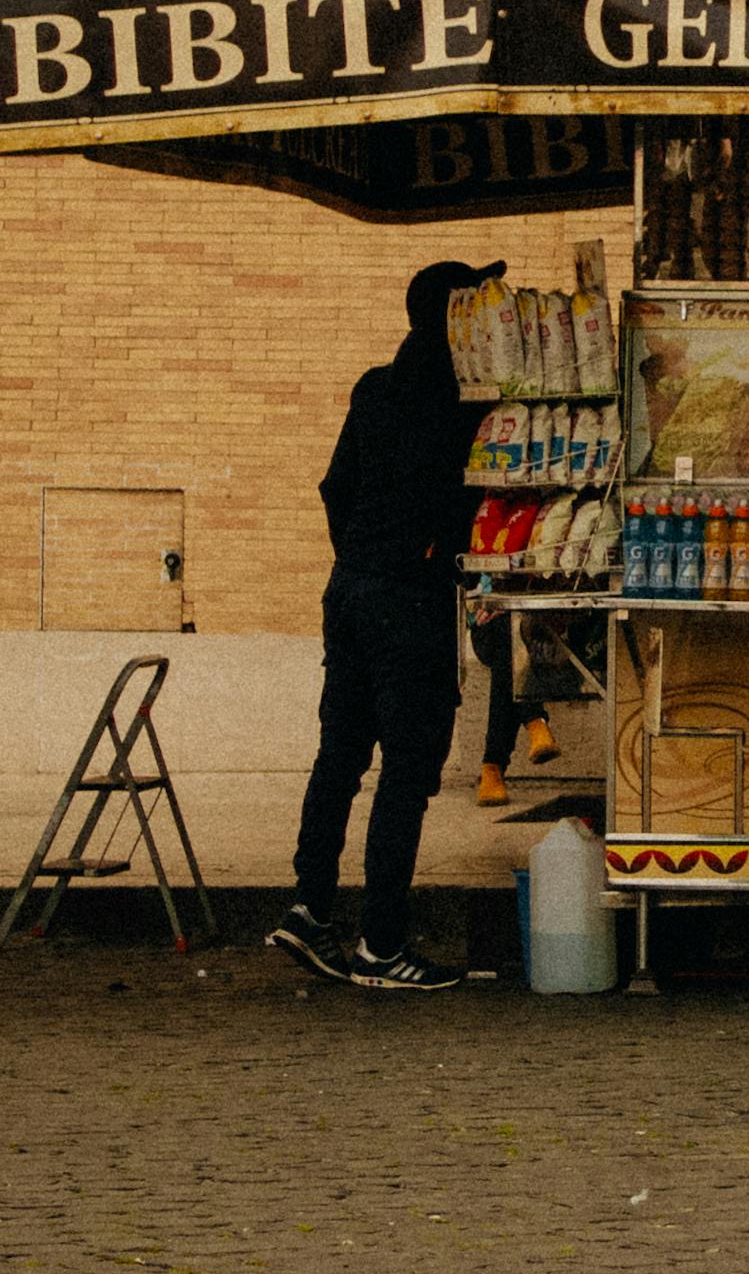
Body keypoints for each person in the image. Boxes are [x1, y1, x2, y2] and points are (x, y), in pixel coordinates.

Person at [266, 258, 501, 989]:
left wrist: (364, 554)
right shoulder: (461, 400)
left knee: (340, 753)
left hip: (351, 589)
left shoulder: (373, 389)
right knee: (407, 772)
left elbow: (334, 486)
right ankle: (381, 945)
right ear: (456, 319)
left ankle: (308, 908)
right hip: (409, 599)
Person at [469, 604, 560, 807]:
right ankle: (535, 721)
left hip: (538, 621)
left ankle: (492, 768)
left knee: (509, 644)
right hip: (490, 628)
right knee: (508, 634)